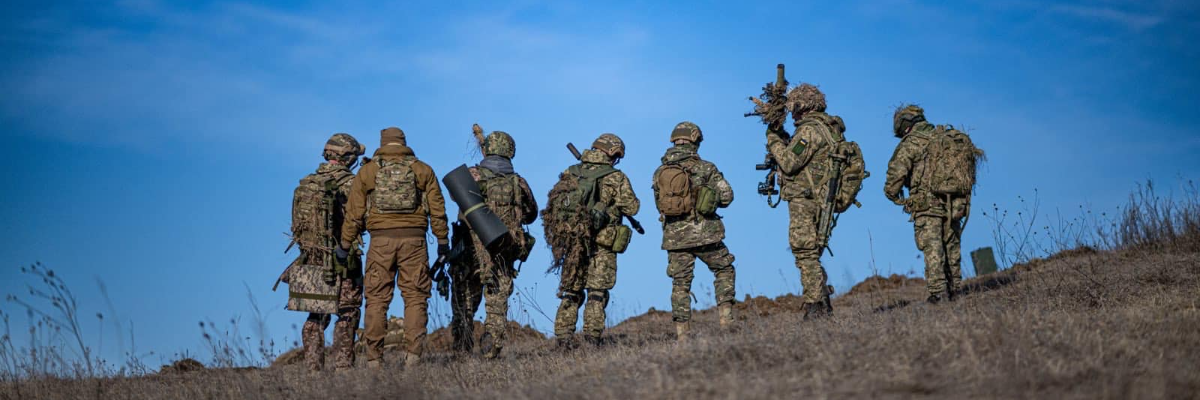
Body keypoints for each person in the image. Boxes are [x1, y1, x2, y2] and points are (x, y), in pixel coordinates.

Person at [339, 127, 449, 368]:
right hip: (415, 241)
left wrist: (345, 244)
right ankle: (413, 358)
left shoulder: (368, 171)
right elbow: (438, 210)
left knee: (377, 299)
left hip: (380, 242)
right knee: (415, 297)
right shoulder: (422, 169)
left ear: (382, 143)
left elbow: (354, 213)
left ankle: (374, 361)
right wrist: (442, 241)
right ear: (404, 143)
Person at [448, 129, 538, 358]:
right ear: (510, 151)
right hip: (502, 249)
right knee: (497, 300)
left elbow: (455, 196)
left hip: (469, 250)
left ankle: (462, 349)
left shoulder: (472, 175)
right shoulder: (519, 182)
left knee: (464, 301)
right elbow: (531, 214)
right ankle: (492, 347)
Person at [549, 133, 640, 346]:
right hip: (602, 243)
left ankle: (563, 339)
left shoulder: (571, 172)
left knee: (571, 292)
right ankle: (591, 340)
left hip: (573, 242)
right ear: (612, 153)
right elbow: (633, 207)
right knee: (597, 293)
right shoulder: (616, 177)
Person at [651, 121, 737, 341]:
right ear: (696, 141)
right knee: (724, 269)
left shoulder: (660, 172)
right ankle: (727, 324)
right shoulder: (706, 168)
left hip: (675, 238)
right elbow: (727, 196)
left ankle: (682, 336)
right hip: (706, 233)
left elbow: (658, 204)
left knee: (680, 284)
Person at [885, 105, 978, 304]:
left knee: (932, 247)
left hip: (927, 204)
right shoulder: (944, 137)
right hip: (954, 202)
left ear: (905, 126)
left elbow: (895, 175)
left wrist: (894, 195)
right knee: (951, 245)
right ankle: (955, 290)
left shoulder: (912, 143)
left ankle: (938, 293)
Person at [763, 83, 842, 319]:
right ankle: (823, 303)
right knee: (811, 252)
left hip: (805, 200)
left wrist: (773, 139)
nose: (792, 114)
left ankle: (814, 306)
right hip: (819, 198)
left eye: (793, 108)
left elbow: (789, 162)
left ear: (802, 106)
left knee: (805, 252)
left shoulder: (809, 131)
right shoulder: (828, 128)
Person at [290, 133, 366, 372]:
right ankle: (343, 366)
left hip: (311, 258)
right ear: (348, 157)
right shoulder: (351, 184)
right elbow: (362, 220)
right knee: (347, 311)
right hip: (344, 258)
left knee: (316, 314)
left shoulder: (306, 183)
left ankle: (313, 369)